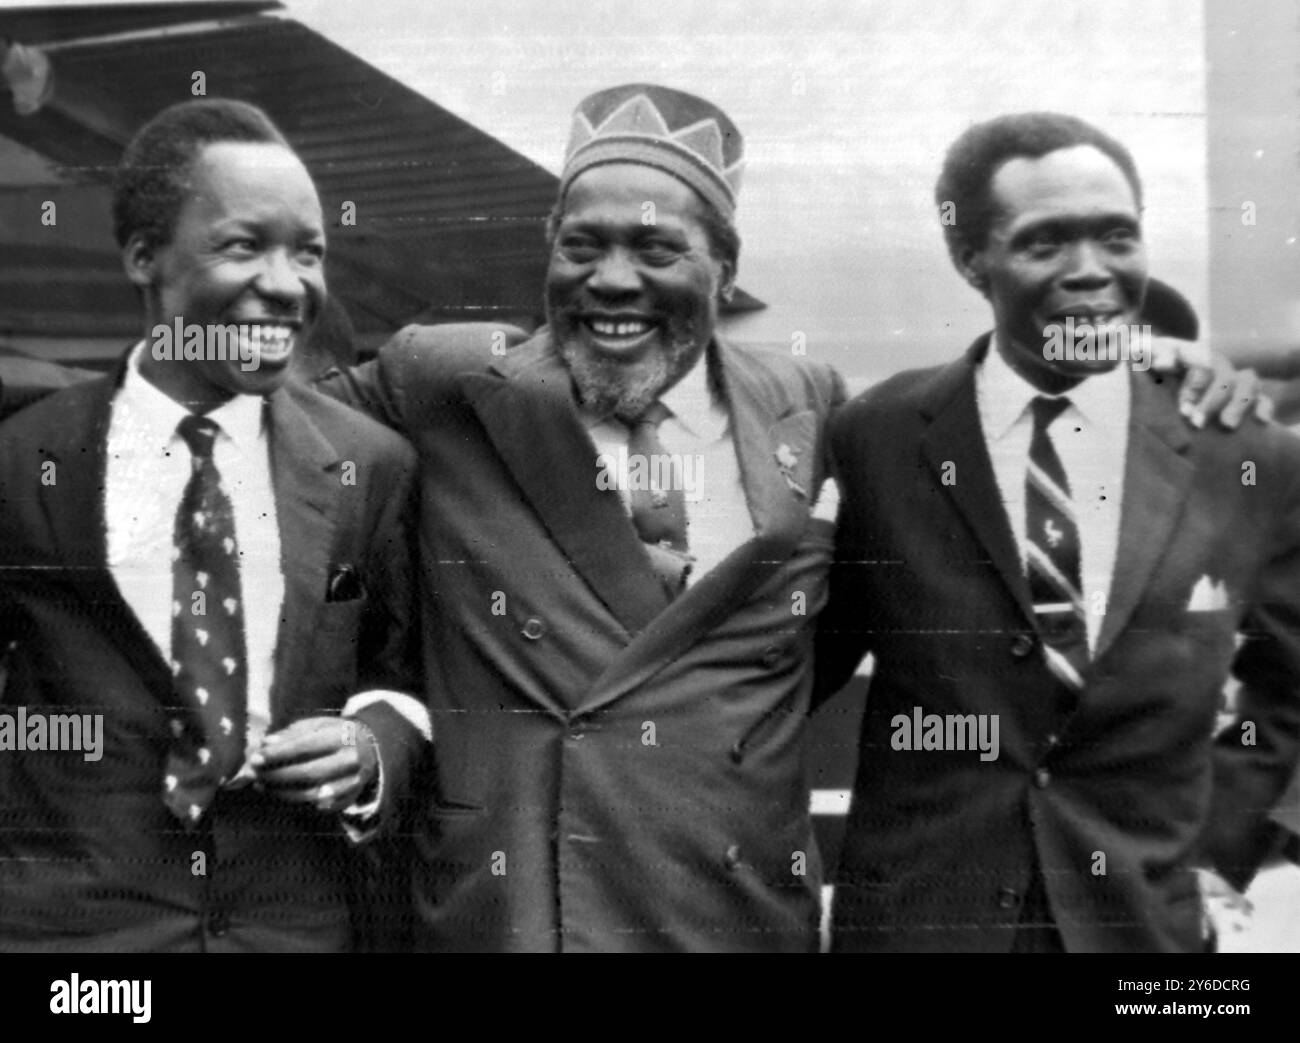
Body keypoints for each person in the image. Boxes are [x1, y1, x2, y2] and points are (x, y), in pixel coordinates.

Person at [321, 83, 846, 952]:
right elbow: (266, 441)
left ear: (726, 265)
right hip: (517, 913)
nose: (611, 279)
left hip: (731, 919)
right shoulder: (446, 380)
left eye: (655, 248)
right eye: (582, 245)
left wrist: (1135, 389)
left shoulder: (805, 403)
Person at [814, 111, 1300, 952]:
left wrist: (1215, 849)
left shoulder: (1243, 453)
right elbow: (801, 670)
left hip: (1147, 938)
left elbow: (1290, 684)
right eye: (1045, 243)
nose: (1091, 271)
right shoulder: (878, 435)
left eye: (1116, 235)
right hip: (921, 922)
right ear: (972, 260)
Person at [0, 98, 425, 952]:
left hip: (294, 931)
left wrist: (372, 745)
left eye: (309, 252)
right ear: (143, 256)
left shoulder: (370, 466)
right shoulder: (22, 460)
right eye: (244, 244)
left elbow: (409, 674)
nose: (287, 282)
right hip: (75, 955)